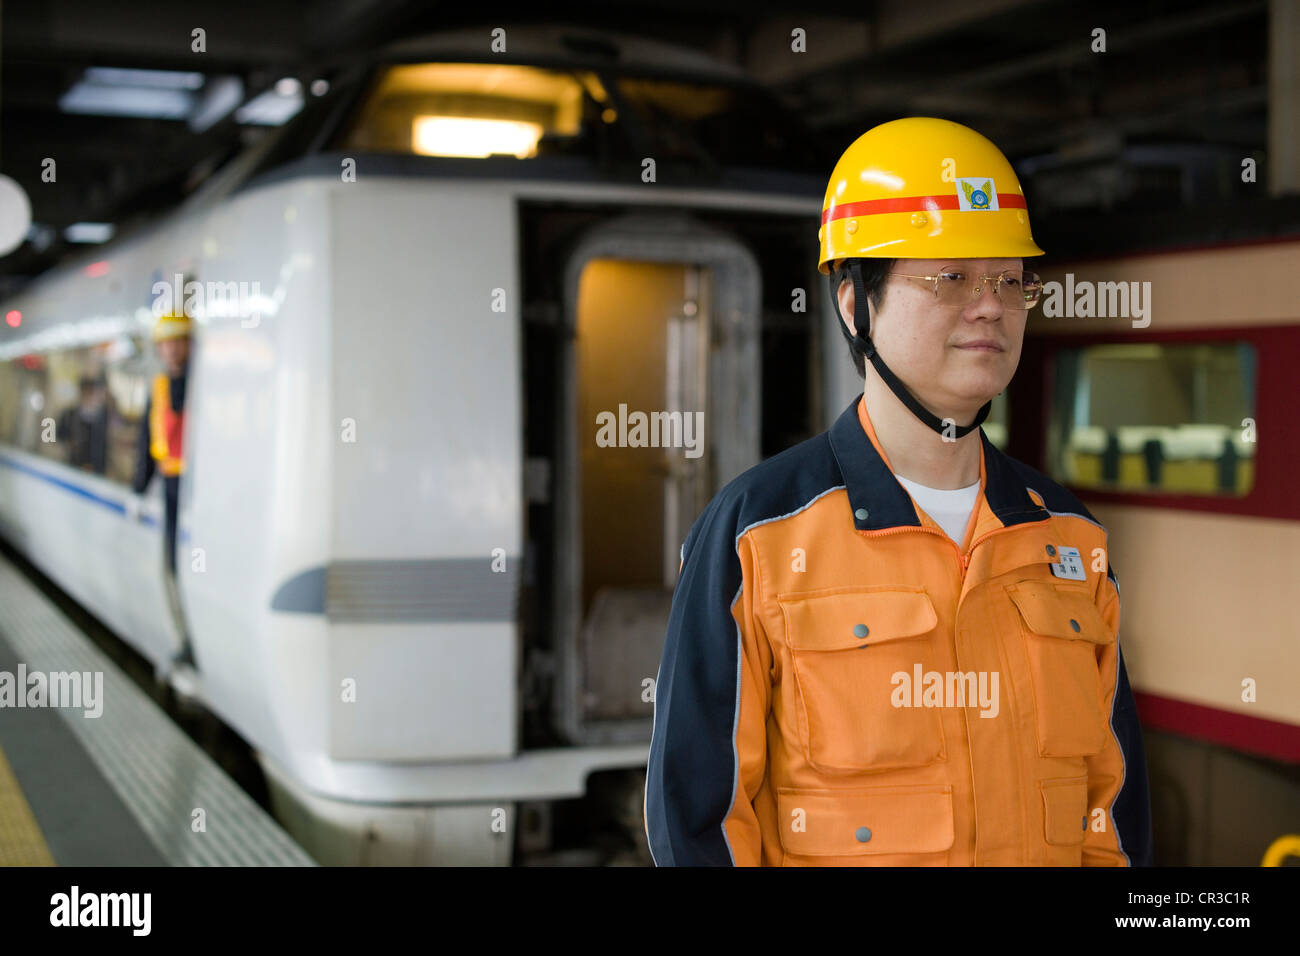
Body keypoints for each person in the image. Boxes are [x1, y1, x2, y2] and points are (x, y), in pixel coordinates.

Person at [644, 117, 1152, 866]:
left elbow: (1115, 812)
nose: (990, 305)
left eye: (1011, 281)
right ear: (855, 303)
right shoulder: (757, 536)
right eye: (950, 276)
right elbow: (698, 822)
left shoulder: (1071, 540)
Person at [132, 312, 190, 577]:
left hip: (195, 483)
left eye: (179, 341)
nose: (172, 348)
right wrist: (139, 490)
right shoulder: (158, 388)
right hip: (169, 480)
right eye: (166, 342)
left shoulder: (199, 383)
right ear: (158, 348)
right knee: (173, 545)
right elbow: (147, 441)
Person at [59, 376, 109, 474]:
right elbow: (59, 435)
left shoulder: (104, 417)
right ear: (81, 393)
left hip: (97, 470)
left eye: (92, 393)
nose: (90, 396)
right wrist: (68, 442)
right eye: (87, 392)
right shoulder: (69, 414)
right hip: (73, 466)